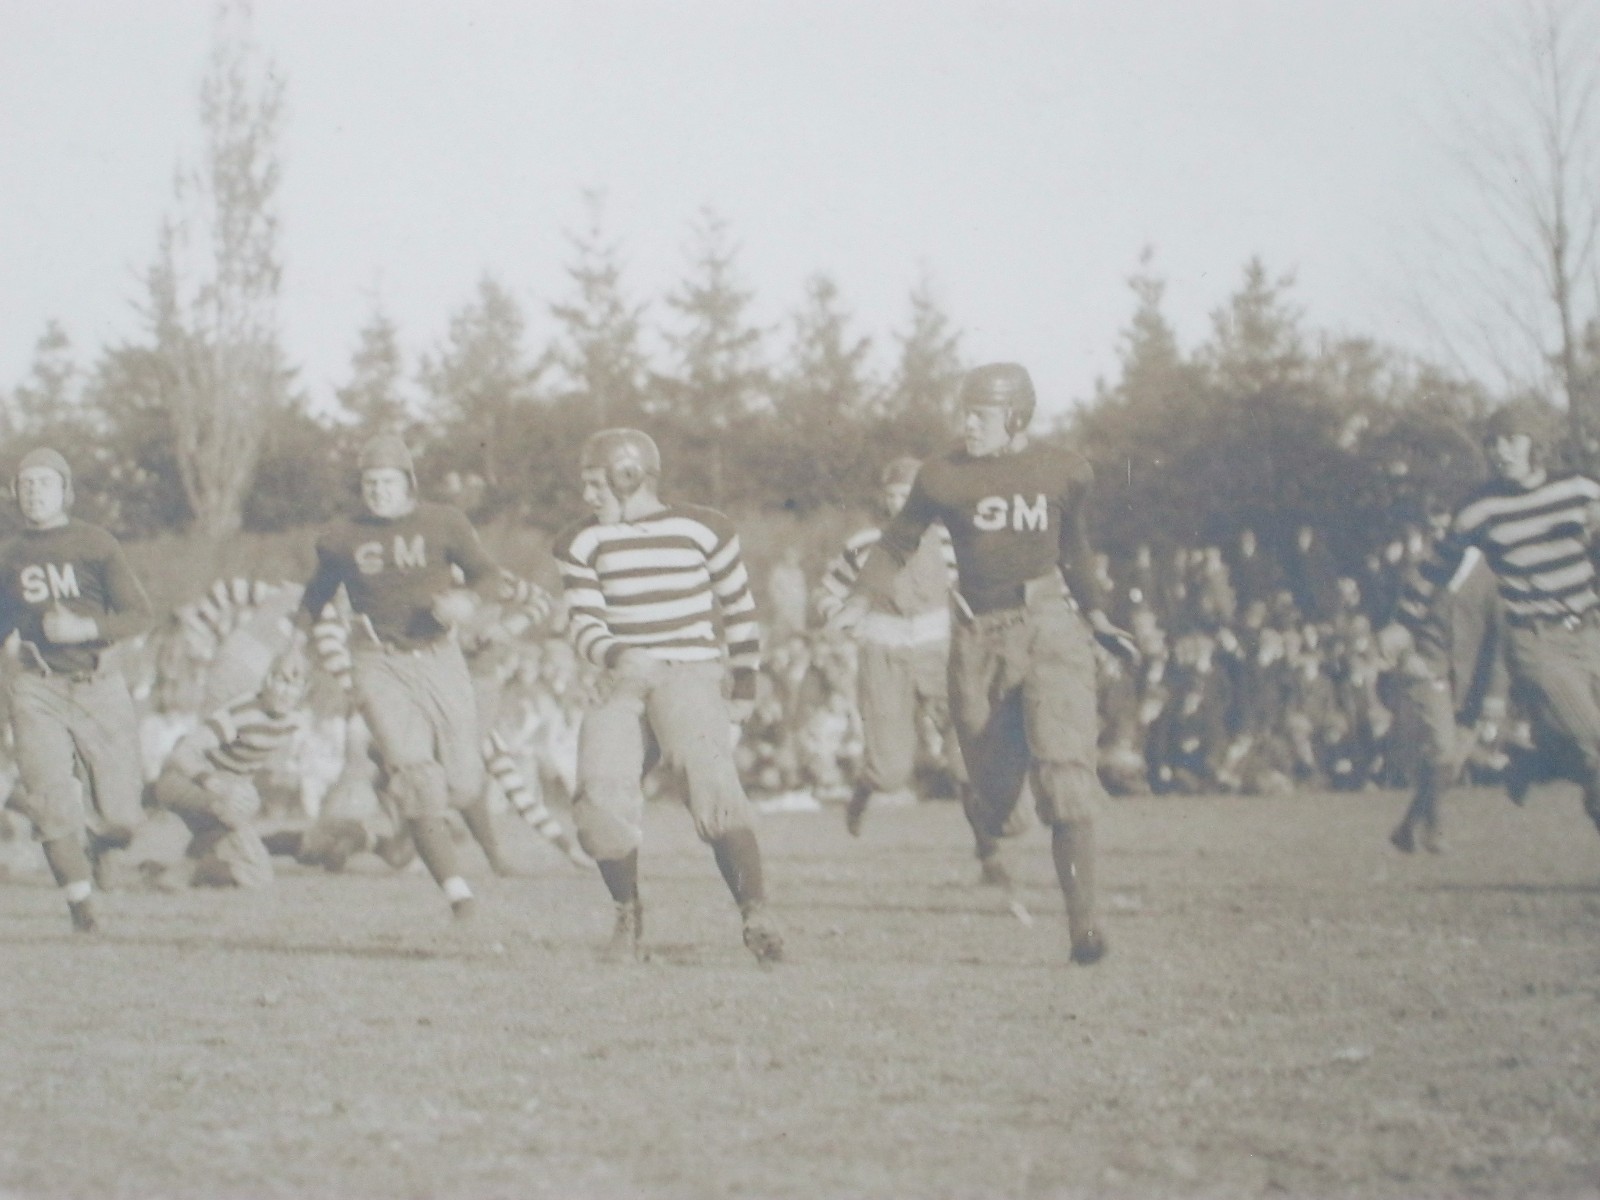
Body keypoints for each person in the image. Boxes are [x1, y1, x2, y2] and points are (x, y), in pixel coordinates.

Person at [830, 363, 1136, 965]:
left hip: (1049, 622)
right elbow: (898, 541)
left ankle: (1085, 929)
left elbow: (1071, 547)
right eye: (964, 412)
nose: (967, 424)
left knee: (1066, 776)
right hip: (975, 634)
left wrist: (1096, 617)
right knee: (998, 806)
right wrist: (859, 599)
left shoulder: (1062, 470)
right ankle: (998, 813)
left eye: (980, 414)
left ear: (1016, 418)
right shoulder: (944, 476)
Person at [284, 433, 545, 920]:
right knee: (419, 776)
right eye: (369, 482)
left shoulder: (443, 522)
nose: (378, 491)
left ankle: (394, 794)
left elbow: (488, 575)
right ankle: (458, 896)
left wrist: (468, 600)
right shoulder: (342, 536)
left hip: (440, 656)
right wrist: (293, 650)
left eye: (387, 481)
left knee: (464, 785)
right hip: (377, 659)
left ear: (408, 482)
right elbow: (314, 598)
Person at [553, 428, 783, 965]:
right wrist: (617, 656)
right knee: (598, 799)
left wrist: (745, 685)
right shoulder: (579, 541)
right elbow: (583, 622)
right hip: (624, 676)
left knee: (709, 779)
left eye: (596, 484)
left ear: (629, 476)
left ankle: (756, 913)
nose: (587, 496)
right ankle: (628, 915)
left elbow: (739, 609)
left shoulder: (702, 528)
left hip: (689, 669)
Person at [1400, 399, 1600, 840]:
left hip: (1590, 633)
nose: (1500, 451)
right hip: (1537, 643)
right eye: (1492, 443)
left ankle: (1535, 762)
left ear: (1537, 444)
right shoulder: (1480, 508)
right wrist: (1401, 624)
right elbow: (1437, 567)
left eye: (1511, 440)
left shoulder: (1580, 492)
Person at [0, 448, 154, 932]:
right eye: (25, 484)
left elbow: (139, 615)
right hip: (35, 685)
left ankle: (104, 841)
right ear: (14, 493)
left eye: (44, 483)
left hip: (97, 682)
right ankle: (81, 906)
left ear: (65, 490)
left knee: (123, 815)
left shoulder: (96, 543)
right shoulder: (8, 554)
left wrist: (85, 628)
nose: (34, 492)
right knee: (48, 799)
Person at [814, 455, 962, 836]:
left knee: (968, 757)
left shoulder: (951, 541)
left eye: (907, 494)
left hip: (939, 652)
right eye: (892, 495)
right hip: (884, 653)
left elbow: (970, 593)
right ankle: (862, 793)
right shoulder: (864, 544)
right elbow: (827, 592)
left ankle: (989, 852)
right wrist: (850, 623)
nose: (899, 503)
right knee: (891, 771)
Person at [147, 645, 313, 889]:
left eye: (293, 684)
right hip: (182, 781)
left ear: (304, 690)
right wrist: (214, 782)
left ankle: (177, 871)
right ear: (267, 679)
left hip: (223, 794)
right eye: (279, 679)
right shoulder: (241, 712)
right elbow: (182, 753)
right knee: (238, 807)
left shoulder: (295, 721)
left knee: (257, 875)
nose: (283, 691)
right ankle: (185, 869)